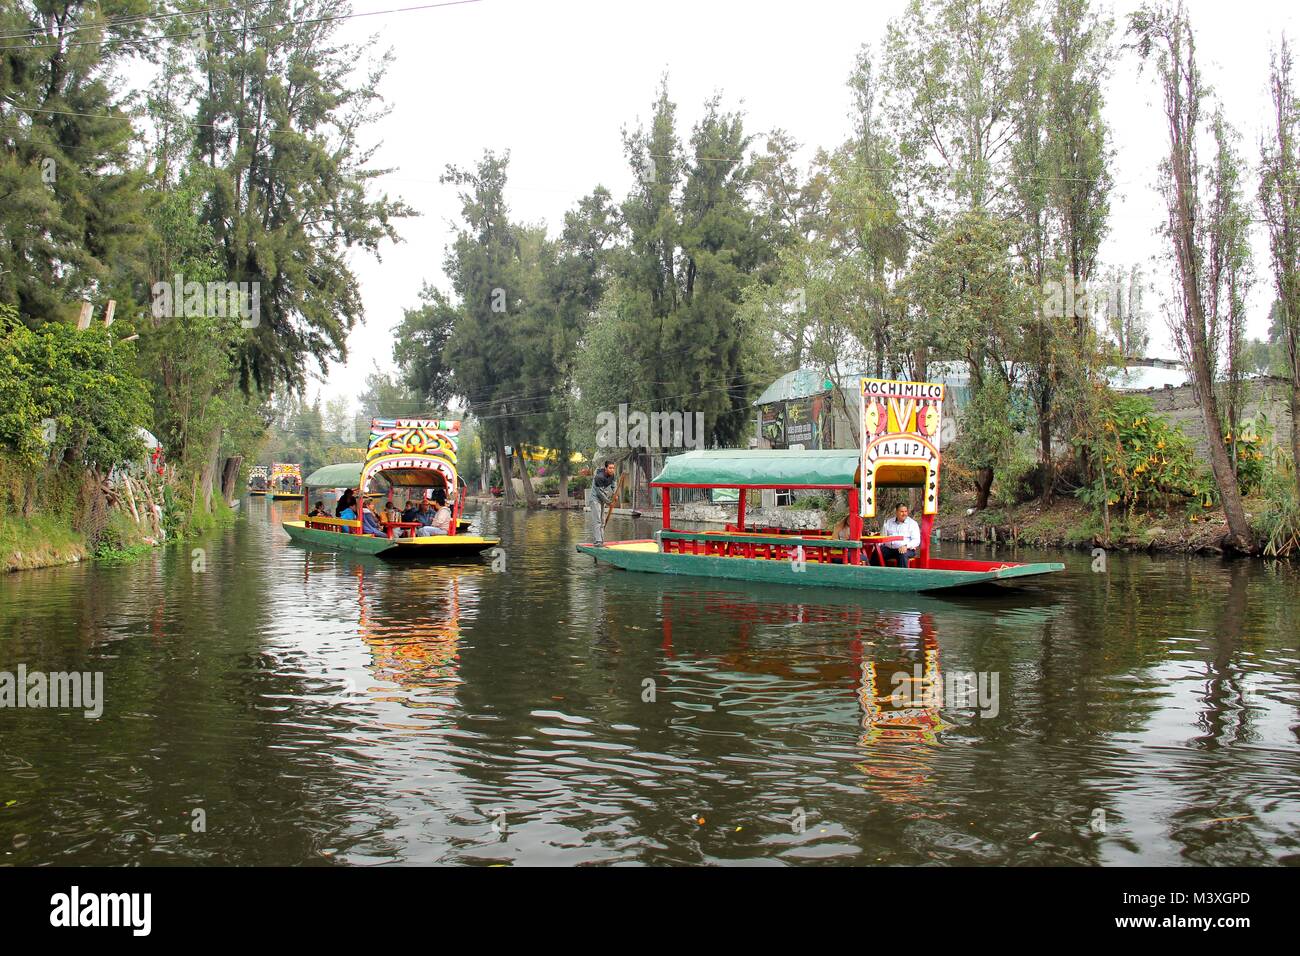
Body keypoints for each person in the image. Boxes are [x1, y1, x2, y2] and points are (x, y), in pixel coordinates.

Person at [880, 503, 922, 568]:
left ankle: (902, 576)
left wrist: (906, 546)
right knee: (877, 552)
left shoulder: (912, 523)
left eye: (905, 511)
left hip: (906, 549)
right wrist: (878, 546)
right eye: (901, 512)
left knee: (902, 554)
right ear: (896, 512)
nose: (904, 514)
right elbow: (882, 537)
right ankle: (874, 574)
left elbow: (917, 540)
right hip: (889, 549)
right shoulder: (889, 522)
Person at [588, 460, 616, 546]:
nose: (612, 470)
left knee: (603, 520)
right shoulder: (599, 477)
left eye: (613, 468)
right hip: (595, 499)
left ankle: (601, 540)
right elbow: (600, 493)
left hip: (602, 499)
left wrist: (615, 494)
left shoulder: (612, 475)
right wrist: (609, 502)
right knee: (598, 520)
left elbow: (613, 485)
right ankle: (598, 541)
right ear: (605, 468)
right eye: (610, 468)